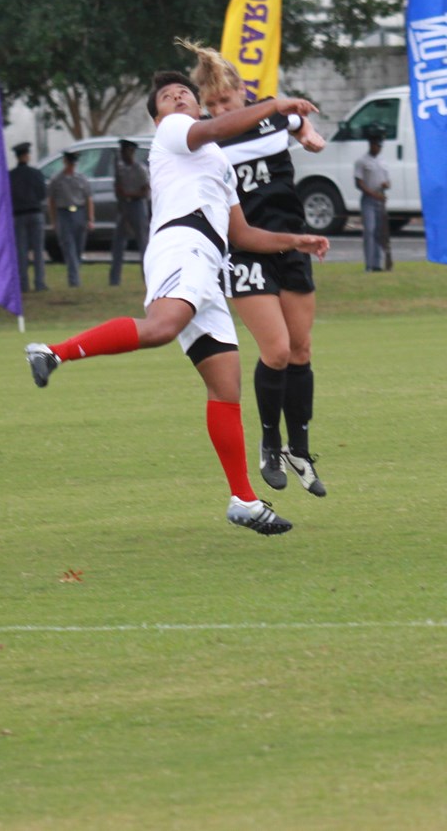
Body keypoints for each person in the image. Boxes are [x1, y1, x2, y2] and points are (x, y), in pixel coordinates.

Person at [23, 72, 328, 536]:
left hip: (210, 261)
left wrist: (295, 240)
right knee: (161, 327)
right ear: (158, 116)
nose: (178, 96)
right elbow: (214, 128)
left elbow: (242, 234)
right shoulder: (175, 133)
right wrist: (274, 105)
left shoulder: (217, 162)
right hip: (182, 244)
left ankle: (243, 500)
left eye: (183, 91)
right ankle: (52, 352)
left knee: (225, 386)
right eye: (167, 97)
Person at [179, 39, 329, 497]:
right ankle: (269, 442)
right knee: (277, 349)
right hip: (243, 249)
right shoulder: (205, 136)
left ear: (243, 93)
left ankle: (299, 450)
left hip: (293, 240)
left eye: (227, 100)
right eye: (213, 104)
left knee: (301, 350)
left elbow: (299, 120)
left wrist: (306, 134)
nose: (221, 109)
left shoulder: (270, 114)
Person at [48, 150, 94, 287]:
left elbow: (88, 198)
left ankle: (75, 274)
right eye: (70, 163)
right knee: (69, 247)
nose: (72, 166)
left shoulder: (81, 178)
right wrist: (53, 220)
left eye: (74, 163)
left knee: (79, 248)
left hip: (79, 213)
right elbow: (52, 201)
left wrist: (90, 218)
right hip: (64, 214)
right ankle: (74, 280)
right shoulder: (57, 180)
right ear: (65, 162)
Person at [109, 138, 150, 286]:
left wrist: (128, 194)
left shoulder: (140, 169)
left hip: (137, 206)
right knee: (118, 244)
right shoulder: (120, 169)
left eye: (124, 151)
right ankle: (114, 279)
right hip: (123, 207)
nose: (122, 154)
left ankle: (148, 277)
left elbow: (145, 192)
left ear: (131, 152)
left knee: (143, 243)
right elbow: (117, 189)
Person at [9, 142, 49, 292]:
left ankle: (23, 284)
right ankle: (39, 283)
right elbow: (42, 193)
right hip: (35, 213)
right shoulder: (36, 173)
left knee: (21, 250)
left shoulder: (11, 175)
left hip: (18, 215)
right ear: (27, 155)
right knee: (38, 250)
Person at [354, 129, 390, 272]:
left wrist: (386, 185)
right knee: (369, 231)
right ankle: (368, 264)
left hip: (380, 200)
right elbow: (359, 182)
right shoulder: (362, 161)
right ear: (371, 145)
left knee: (379, 233)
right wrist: (373, 194)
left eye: (380, 146)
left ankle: (377, 264)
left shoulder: (382, 162)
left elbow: (388, 181)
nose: (378, 148)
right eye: (376, 145)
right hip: (368, 199)